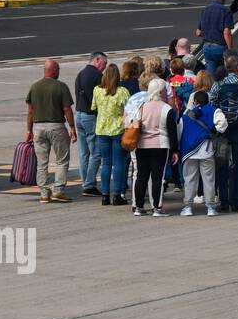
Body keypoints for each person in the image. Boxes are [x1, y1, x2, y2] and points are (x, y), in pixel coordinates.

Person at [25, 60, 77, 204]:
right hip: (56, 127)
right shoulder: (61, 87)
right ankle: (58, 191)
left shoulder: (34, 87)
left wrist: (29, 130)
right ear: (54, 70)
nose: (59, 72)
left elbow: (30, 111)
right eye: (58, 69)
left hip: (38, 128)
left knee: (42, 163)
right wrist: (72, 127)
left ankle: (44, 193)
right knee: (62, 160)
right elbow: (67, 109)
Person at [209, 53, 238, 213]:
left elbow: (213, 109)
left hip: (222, 132)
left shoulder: (216, 86)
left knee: (222, 166)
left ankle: (224, 202)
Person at [133, 78, 179, 217]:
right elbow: (172, 132)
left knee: (142, 176)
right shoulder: (167, 109)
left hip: (141, 145)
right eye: (165, 89)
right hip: (160, 146)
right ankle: (157, 207)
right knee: (157, 177)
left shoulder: (142, 106)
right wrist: (175, 150)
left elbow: (136, 124)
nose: (167, 91)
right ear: (160, 91)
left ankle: (138, 207)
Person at [178, 90, 228, 217]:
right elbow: (223, 125)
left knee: (189, 180)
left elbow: (179, 133)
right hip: (206, 150)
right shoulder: (214, 110)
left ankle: (188, 207)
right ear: (208, 100)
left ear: (194, 102)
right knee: (209, 180)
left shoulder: (186, 115)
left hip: (189, 152)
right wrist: (214, 132)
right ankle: (211, 207)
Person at [91, 63, 130, 206]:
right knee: (118, 162)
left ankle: (105, 195)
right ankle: (117, 194)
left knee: (106, 163)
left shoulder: (97, 90)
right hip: (118, 129)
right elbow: (128, 110)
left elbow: (93, 107)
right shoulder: (122, 91)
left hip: (102, 129)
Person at [73, 51, 108, 197]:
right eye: (104, 63)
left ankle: (85, 182)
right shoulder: (97, 76)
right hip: (89, 116)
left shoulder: (80, 74)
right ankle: (89, 184)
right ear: (97, 60)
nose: (105, 67)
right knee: (96, 152)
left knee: (84, 152)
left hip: (79, 114)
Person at [196, 0, 233, 77]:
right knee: (224, 73)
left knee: (211, 75)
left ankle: (211, 90)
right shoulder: (226, 11)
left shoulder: (205, 10)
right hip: (220, 47)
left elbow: (198, 32)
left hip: (207, 47)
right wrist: (230, 49)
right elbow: (226, 32)